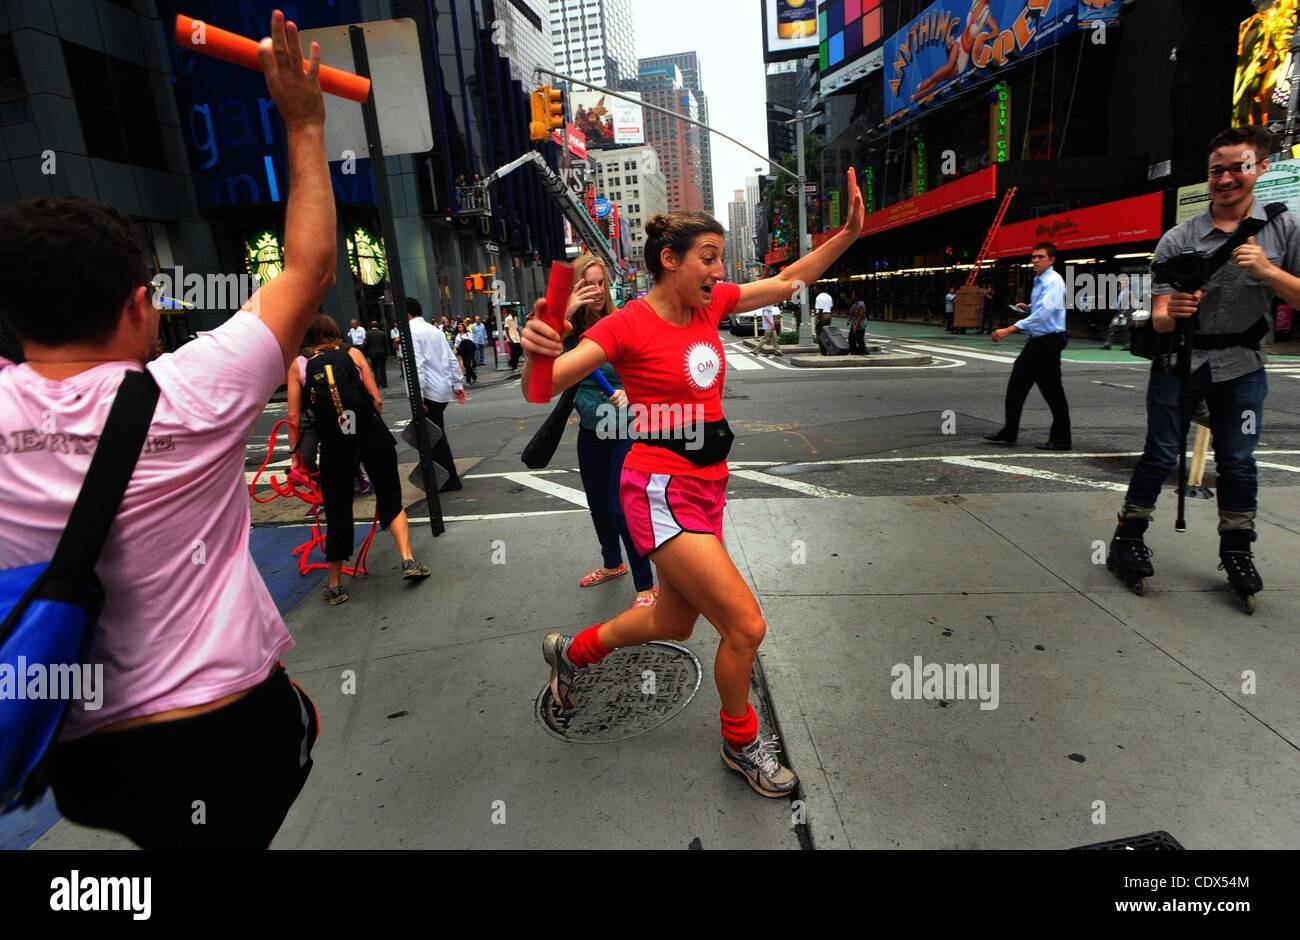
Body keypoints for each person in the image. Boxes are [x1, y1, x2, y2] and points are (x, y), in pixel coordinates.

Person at [0, 11, 327, 849]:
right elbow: (306, 269)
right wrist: (303, 120)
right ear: (138, 305)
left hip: (88, 756)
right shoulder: (197, 389)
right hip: (230, 729)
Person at [521, 167, 866, 798]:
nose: (717, 270)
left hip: (707, 488)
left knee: (674, 625)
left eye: (719, 258)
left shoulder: (714, 304)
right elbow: (542, 388)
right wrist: (537, 347)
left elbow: (790, 280)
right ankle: (741, 742)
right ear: (669, 260)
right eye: (707, 259)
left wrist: (846, 234)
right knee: (746, 626)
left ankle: (570, 655)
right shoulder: (627, 324)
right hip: (659, 490)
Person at [1108, 126, 1300, 606]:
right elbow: (1157, 316)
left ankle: (1237, 548)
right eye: (1218, 170)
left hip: (1243, 367)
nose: (1227, 178)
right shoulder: (1179, 237)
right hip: (1180, 362)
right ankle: (1129, 537)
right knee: (1160, 453)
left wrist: (1269, 271)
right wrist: (1170, 313)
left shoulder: (1285, 229)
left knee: (1238, 460)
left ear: (1260, 168)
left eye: (1240, 167)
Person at [288, 315, 431, 606]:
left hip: (335, 444)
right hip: (370, 434)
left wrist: (296, 456)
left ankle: (335, 585)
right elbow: (376, 399)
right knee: (390, 496)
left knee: (338, 509)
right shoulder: (352, 354)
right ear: (334, 331)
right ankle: (408, 559)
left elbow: (294, 417)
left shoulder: (298, 365)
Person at [567, 254, 656, 607]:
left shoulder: (621, 321)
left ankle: (646, 584)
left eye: (601, 282)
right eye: (588, 284)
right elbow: (542, 369)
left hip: (622, 426)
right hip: (591, 426)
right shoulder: (568, 330)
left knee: (620, 507)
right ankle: (612, 563)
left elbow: (651, 365)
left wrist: (632, 391)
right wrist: (565, 312)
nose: (597, 291)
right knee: (597, 505)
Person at [984, 242, 1073, 450]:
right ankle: (1009, 431)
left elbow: (1043, 316)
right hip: (1037, 342)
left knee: (1053, 392)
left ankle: (1061, 438)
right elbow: (1041, 308)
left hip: (1049, 342)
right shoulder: (1040, 280)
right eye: (1033, 257)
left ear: (1051, 260)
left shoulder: (1054, 281)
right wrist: (1029, 307)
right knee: (1016, 386)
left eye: (1040, 257)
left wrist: (1009, 329)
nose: (1035, 260)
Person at [407, 297, 465, 492]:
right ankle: (440, 477)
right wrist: (457, 384)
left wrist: (417, 396)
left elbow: (416, 365)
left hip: (429, 391)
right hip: (442, 389)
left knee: (433, 437)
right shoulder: (434, 330)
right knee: (432, 435)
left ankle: (449, 479)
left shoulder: (411, 332)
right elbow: (450, 357)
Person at [364, 319, 389, 388]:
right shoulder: (382, 333)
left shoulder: (368, 334)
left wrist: (366, 353)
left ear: (371, 326)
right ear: (377, 325)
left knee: (375, 369)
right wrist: (386, 353)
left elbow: (366, 344)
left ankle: (378, 382)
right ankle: (384, 383)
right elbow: (385, 344)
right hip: (381, 353)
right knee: (382, 368)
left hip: (372, 354)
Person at [454, 321, 477, 386]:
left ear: (463, 328)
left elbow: (472, 341)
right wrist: (455, 348)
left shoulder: (468, 334)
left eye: (461, 327)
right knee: (466, 365)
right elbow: (456, 343)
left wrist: (464, 340)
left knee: (467, 365)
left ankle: (468, 381)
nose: (459, 328)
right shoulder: (457, 335)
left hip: (468, 351)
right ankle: (474, 376)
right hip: (461, 351)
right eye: (458, 327)